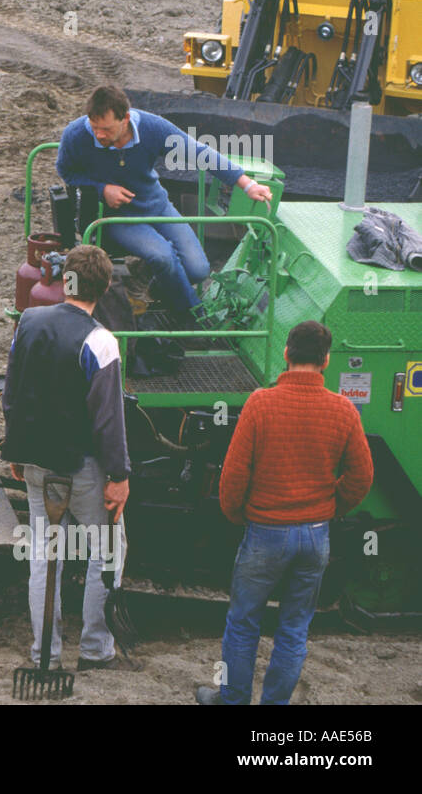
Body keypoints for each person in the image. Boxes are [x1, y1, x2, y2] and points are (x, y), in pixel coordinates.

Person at [196, 321, 373, 705]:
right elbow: (362, 475)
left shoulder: (261, 403)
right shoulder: (343, 410)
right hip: (315, 535)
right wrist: (331, 508)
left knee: (243, 622)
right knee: (294, 627)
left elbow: (234, 473)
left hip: (265, 531)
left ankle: (232, 700)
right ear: (326, 361)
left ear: (286, 354)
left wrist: (236, 513)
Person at [0, 244, 139, 671]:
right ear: (106, 286)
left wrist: (16, 448)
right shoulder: (101, 342)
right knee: (108, 551)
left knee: (44, 554)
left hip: (38, 463)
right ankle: (97, 649)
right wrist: (120, 475)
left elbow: (12, 393)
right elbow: (107, 421)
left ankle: (46, 656)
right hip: (84, 469)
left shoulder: (28, 322)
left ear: (66, 280)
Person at [56, 85, 272, 328]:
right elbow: (65, 171)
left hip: (155, 205)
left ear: (125, 118)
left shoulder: (153, 128)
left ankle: (159, 289)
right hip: (116, 216)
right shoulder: (76, 135)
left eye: (105, 129)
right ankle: (196, 319)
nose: (99, 135)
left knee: (199, 269)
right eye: (94, 128)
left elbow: (199, 153)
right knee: (163, 256)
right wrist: (101, 188)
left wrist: (247, 184)